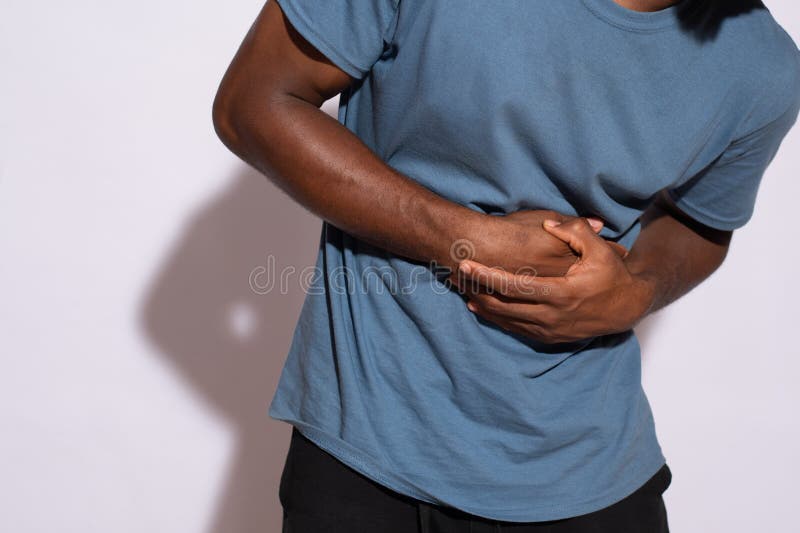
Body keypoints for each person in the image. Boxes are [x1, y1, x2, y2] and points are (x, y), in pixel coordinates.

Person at [212, 0, 800, 530]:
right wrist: (468, 239)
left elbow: (701, 222)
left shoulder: (765, 66)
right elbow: (254, 102)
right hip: (370, 456)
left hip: (591, 475)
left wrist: (636, 293)